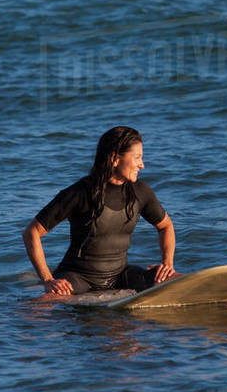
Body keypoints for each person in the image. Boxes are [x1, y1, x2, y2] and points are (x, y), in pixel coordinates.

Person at [23, 126, 176, 296]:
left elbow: (165, 226)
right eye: (137, 157)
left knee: (175, 280)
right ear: (114, 158)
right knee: (45, 305)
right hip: (78, 278)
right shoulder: (80, 193)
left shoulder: (141, 192)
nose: (142, 165)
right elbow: (32, 232)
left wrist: (167, 265)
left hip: (120, 276)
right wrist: (48, 280)